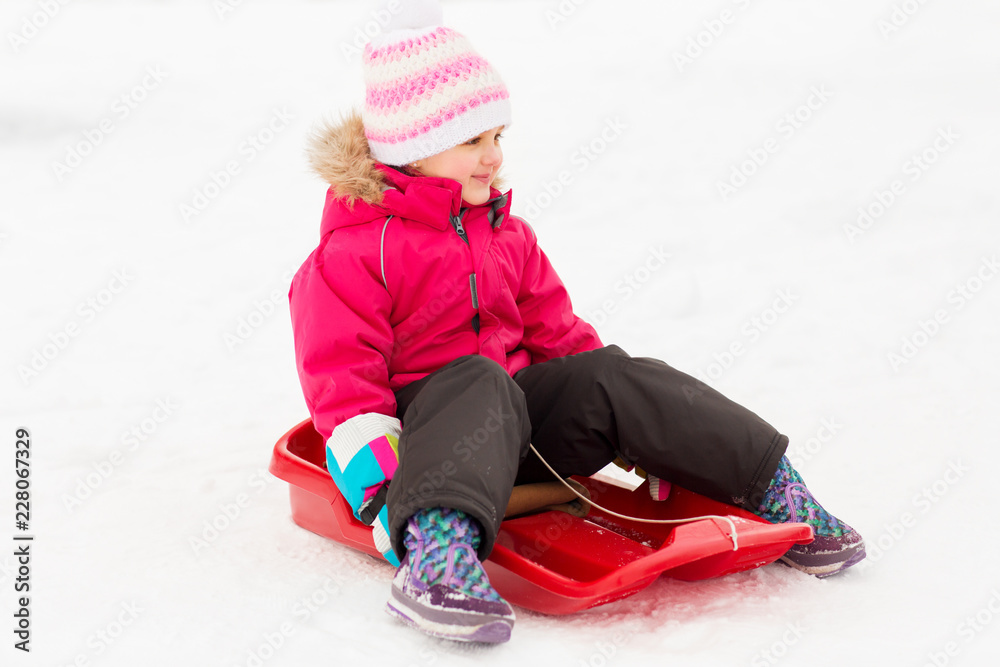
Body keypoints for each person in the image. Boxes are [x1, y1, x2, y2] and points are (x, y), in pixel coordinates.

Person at [288, 0, 864, 644]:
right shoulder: (353, 256)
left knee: (611, 374)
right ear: (413, 151)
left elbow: (563, 345)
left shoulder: (509, 236)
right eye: (471, 141)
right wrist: (384, 488)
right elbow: (343, 384)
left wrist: (646, 433)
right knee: (478, 377)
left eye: (497, 137)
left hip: (521, 439)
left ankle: (772, 486)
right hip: (429, 454)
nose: (492, 157)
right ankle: (437, 556)